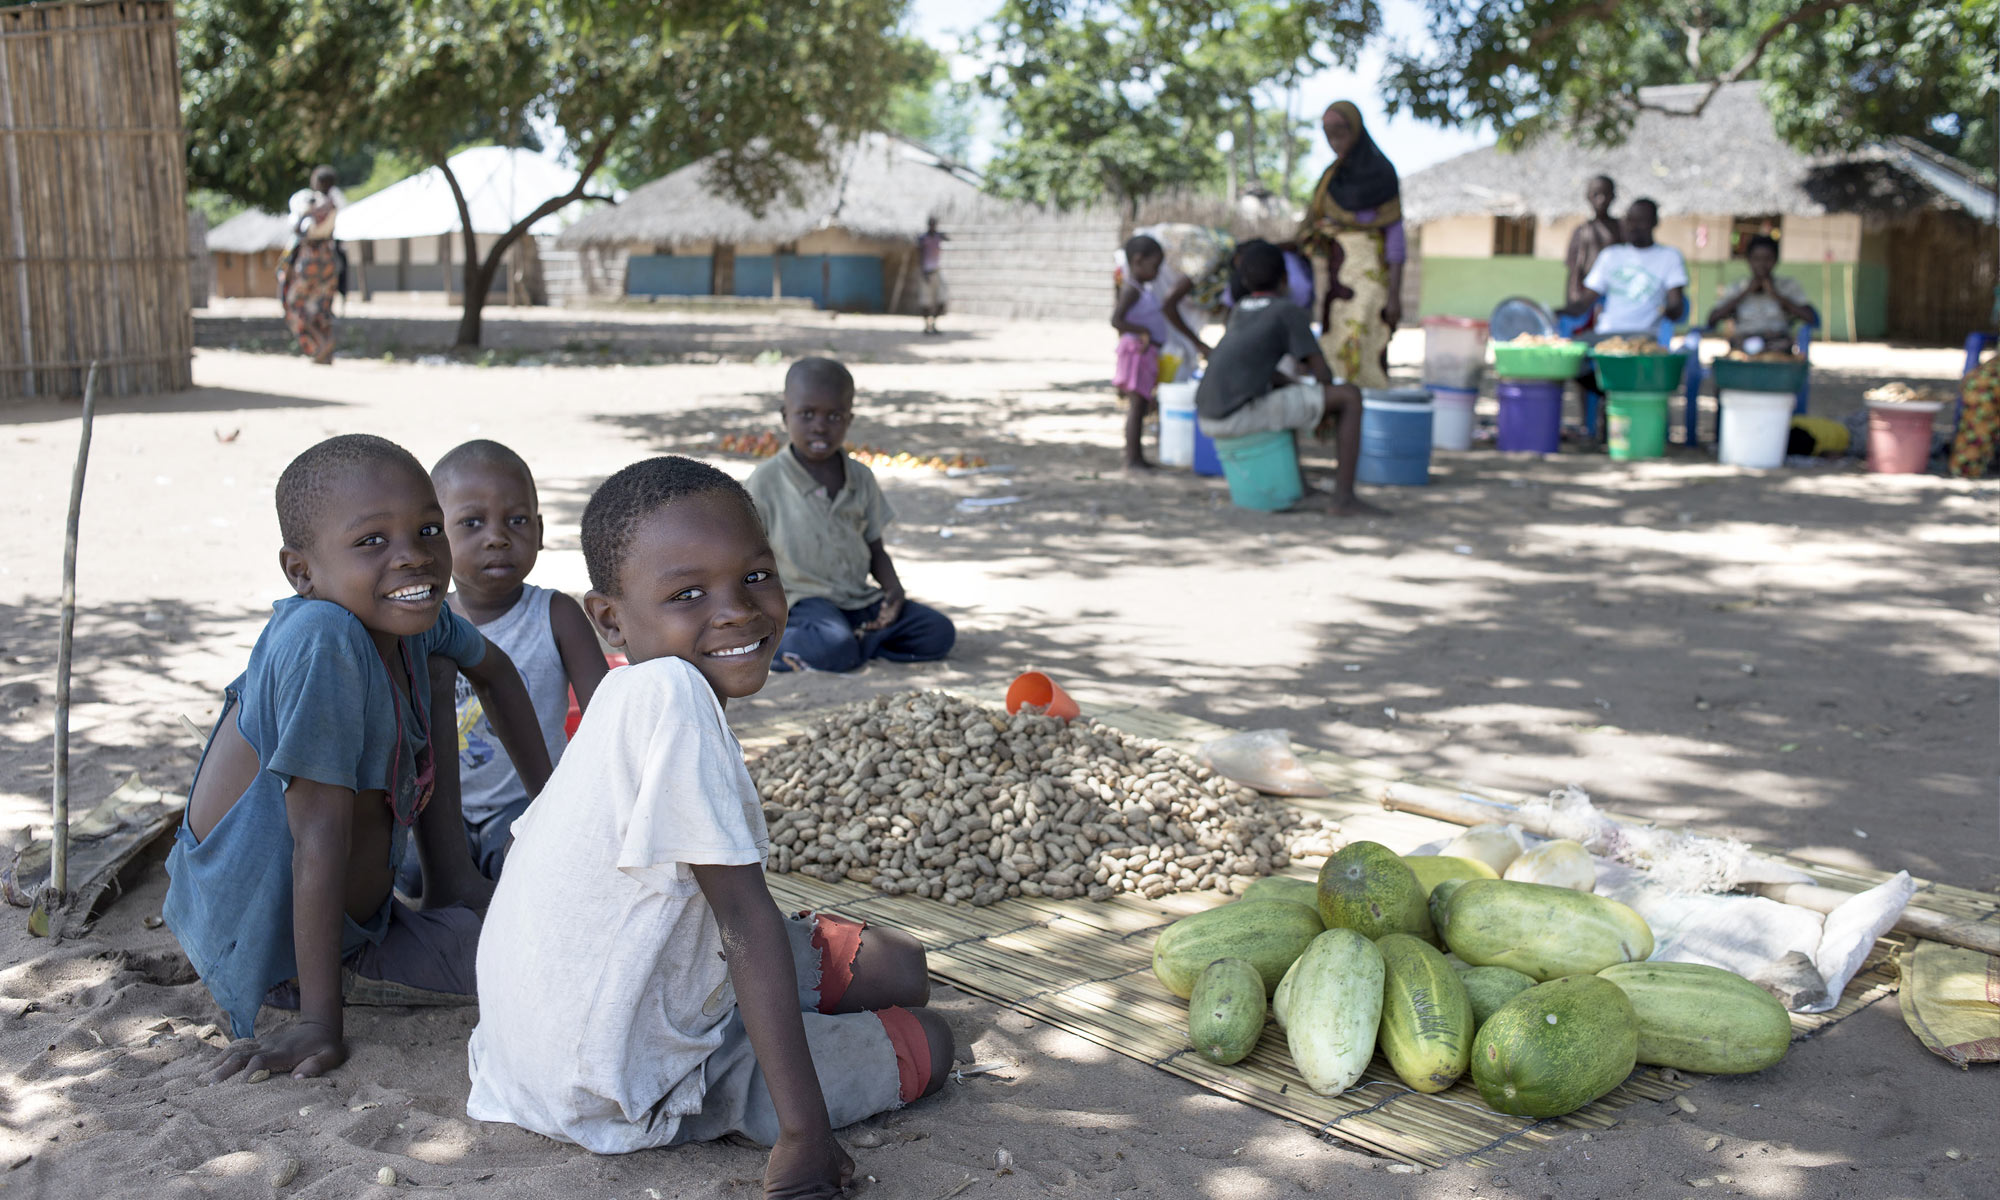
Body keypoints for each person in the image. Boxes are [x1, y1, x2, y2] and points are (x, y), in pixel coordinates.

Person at [466, 456, 955, 1196]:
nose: (737, 612)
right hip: (613, 1074)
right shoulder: (672, 695)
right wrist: (805, 1136)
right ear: (610, 619)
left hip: (554, 1035)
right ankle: (741, 1081)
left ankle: (764, 1022)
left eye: (756, 576)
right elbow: (743, 920)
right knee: (931, 1045)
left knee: (905, 968)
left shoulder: (629, 693)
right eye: (688, 594)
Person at [162, 434, 554, 1078]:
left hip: (354, 917)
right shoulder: (322, 638)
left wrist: (554, 817)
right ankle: (315, 992)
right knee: (552, 953)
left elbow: (496, 672)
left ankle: (451, 879)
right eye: (372, 540)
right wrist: (320, 1026)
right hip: (283, 950)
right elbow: (316, 836)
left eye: (428, 530)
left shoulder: (408, 615)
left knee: (435, 662)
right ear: (301, 571)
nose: (414, 557)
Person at [428, 439, 609, 878]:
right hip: (439, 809)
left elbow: (608, 721)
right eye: (472, 522)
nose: (497, 537)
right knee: (408, 872)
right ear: (434, 536)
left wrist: (571, 807)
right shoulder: (425, 623)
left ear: (540, 532)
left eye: (517, 520)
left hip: (526, 803)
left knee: (525, 866)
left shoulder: (555, 615)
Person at [745, 357, 956, 672]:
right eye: (807, 414)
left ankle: (851, 645)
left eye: (834, 416)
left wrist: (894, 592)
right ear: (785, 415)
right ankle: (784, 645)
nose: (820, 426)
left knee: (938, 632)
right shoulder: (766, 481)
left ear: (849, 419)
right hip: (803, 604)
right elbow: (746, 558)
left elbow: (875, 547)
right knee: (832, 643)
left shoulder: (860, 477)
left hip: (859, 601)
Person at [1196, 241, 1379, 517]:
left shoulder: (1241, 309)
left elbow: (1255, 369)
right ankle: (1344, 498)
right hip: (1235, 415)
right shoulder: (1287, 310)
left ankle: (1301, 488)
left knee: (1290, 398)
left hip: (1208, 413)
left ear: (1244, 280)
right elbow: (1322, 373)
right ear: (1285, 279)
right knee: (1350, 396)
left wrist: (1302, 391)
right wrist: (1324, 411)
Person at [1298, 101, 1406, 388]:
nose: (1334, 142)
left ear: (1356, 130)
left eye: (1340, 133)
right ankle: (1339, 412)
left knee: (1365, 347)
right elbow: (1309, 228)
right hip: (1338, 283)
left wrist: (1394, 295)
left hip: (1373, 282)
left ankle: (1366, 412)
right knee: (1335, 347)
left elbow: (1396, 239)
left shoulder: (1382, 174)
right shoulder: (1331, 179)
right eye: (1328, 135)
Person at [1564, 198, 1688, 337]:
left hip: (1644, 337)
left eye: (1640, 220)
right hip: (1606, 334)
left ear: (1655, 222)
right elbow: (1584, 302)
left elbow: (1676, 304)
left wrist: (1669, 312)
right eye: (1630, 220)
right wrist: (1555, 313)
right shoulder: (1610, 255)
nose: (1633, 226)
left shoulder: (1669, 257)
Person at [1111, 235, 1172, 470]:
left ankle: (1137, 456)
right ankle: (1133, 459)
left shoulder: (1139, 288)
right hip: (1136, 352)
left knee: (1142, 404)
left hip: (1144, 353)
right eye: (1155, 266)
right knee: (1137, 405)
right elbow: (1116, 320)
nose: (1157, 272)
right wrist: (1143, 331)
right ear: (1138, 261)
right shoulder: (1131, 290)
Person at [1709, 234, 1818, 352]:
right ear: (1748, 260)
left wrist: (1776, 295)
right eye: (1756, 259)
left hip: (1777, 343)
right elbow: (1712, 319)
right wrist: (1745, 293)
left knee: (1782, 346)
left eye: (1767, 259)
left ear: (1775, 260)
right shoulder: (1738, 287)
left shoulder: (1787, 286)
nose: (1762, 264)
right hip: (1743, 343)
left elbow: (1811, 318)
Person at [281, 165, 345, 364]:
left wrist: (303, 215)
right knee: (322, 306)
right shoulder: (334, 204)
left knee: (295, 304)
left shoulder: (312, 204)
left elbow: (299, 230)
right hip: (329, 258)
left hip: (310, 259)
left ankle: (321, 344)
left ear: (317, 182)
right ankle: (325, 353)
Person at [1564, 175, 1621, 314]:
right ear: (1588, 196)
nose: (1601, 199)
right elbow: (1575, 270)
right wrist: (1573, 300)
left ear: (1613, 196)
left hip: (1616, 294)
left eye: (1606, 194)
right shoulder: (1582, 231)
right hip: (1587, 296)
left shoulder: (1622, 229)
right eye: (1596, 194)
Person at [916, 217, 948, 334]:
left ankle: (933, 324)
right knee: (926, 302)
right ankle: (927, 326)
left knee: (941, 300)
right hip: (926, 273)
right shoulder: (923, 239)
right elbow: (920, 255)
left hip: (936, 272)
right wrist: (923, 272)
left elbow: (948, 238)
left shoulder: (938, 237)